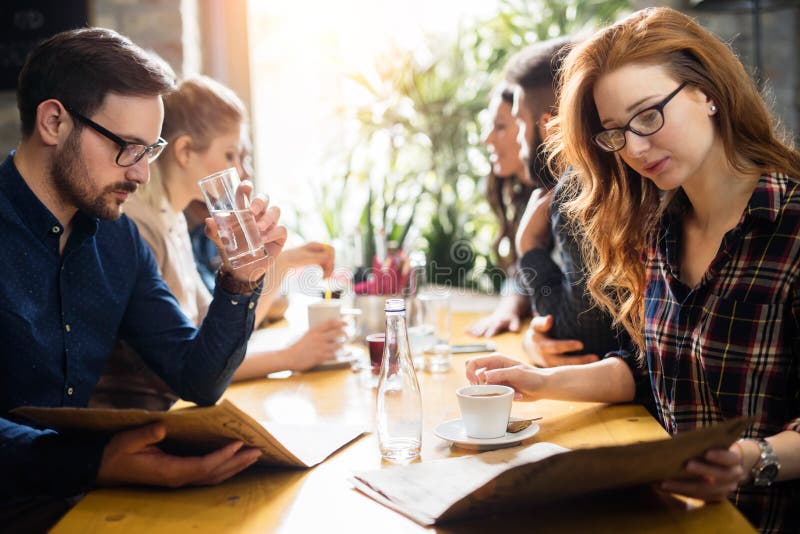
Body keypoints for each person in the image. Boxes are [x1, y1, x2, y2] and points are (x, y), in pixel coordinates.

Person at [467, 7, 800, 532]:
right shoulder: (658, 229)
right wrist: (540, 381)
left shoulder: (791, 228)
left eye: (648, 116)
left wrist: (746, 460)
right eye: (616, 133)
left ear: (706, 91)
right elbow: (650, 373)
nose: (637, 148)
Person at [0, 28, 287, 530]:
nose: (140, 175)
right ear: (53, 122)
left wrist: (241, 281)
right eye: (128, 148)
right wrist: (95, 462)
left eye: (148, 150)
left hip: (83, 504)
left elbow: (197, 379)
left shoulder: (119, 242)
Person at [90, 76, 344, 410]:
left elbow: (213, 332)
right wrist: (290, 356)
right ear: (183, 152)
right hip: (149, 418)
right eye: (230, 155)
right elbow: (184, 365)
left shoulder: (173, 219)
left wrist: (273, 267)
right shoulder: (138, 226)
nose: (241, 173)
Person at [467, 39, 567, 338]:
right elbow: (523, 275)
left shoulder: (564, 196)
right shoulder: (527, 192)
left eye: (500, 127)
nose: (486, 140)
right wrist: (509, 305)